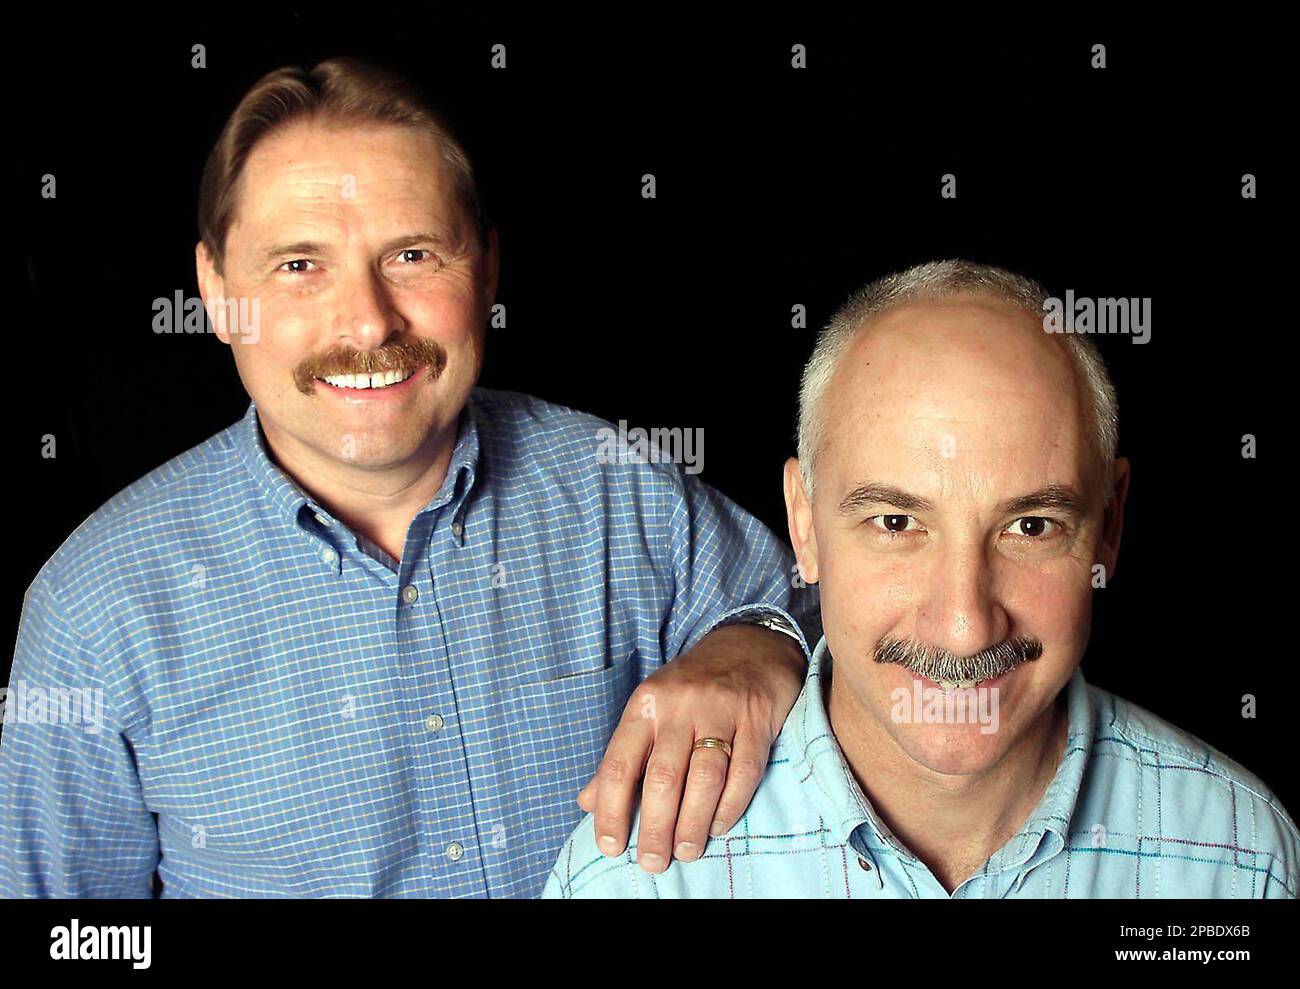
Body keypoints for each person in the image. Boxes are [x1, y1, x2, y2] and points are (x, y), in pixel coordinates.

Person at [0, 57, 819, 897]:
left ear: (487, 270)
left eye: (413, 254)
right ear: (214, 290)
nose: (367, 319)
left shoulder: (628, 492)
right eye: (298, 265)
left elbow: (837, 618)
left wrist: (758, 646)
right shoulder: (94, 613)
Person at [545, 259, 1299, 898]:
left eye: (1030, 526)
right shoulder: (633, 880)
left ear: (1110, 524)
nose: (965, 624)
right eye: (898, 523)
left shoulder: (1243, 857)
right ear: (803, 526)